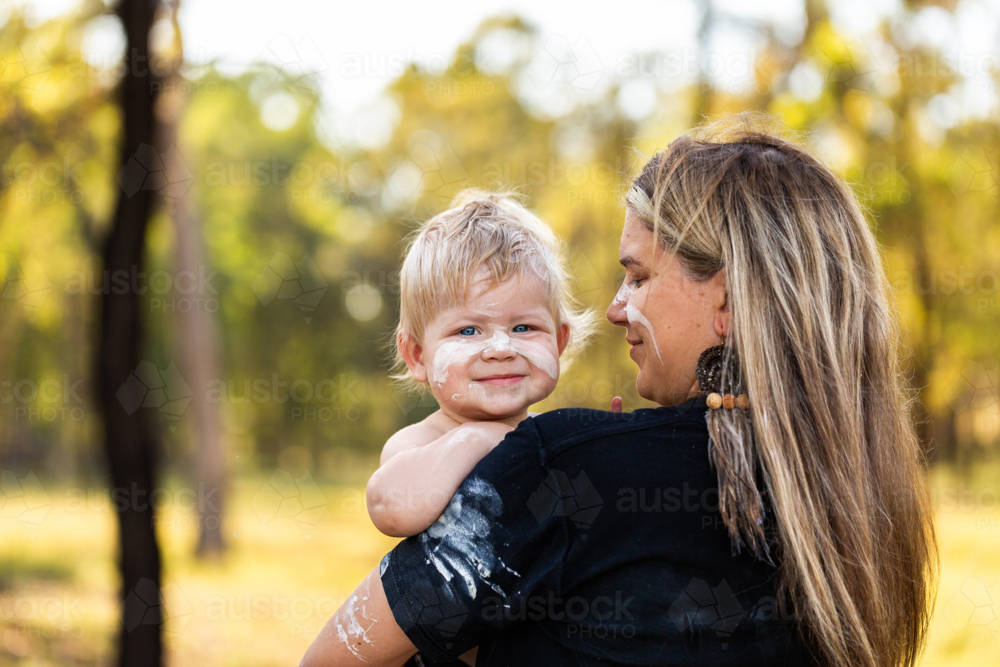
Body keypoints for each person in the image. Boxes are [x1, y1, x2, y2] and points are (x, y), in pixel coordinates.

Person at [302, 112, 937, 667]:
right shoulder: (851, 488)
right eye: (468, 329)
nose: (613, 308)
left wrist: (583, 454)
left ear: (726, 299)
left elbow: (334, 660)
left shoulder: (563, 467)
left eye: (637, 277)